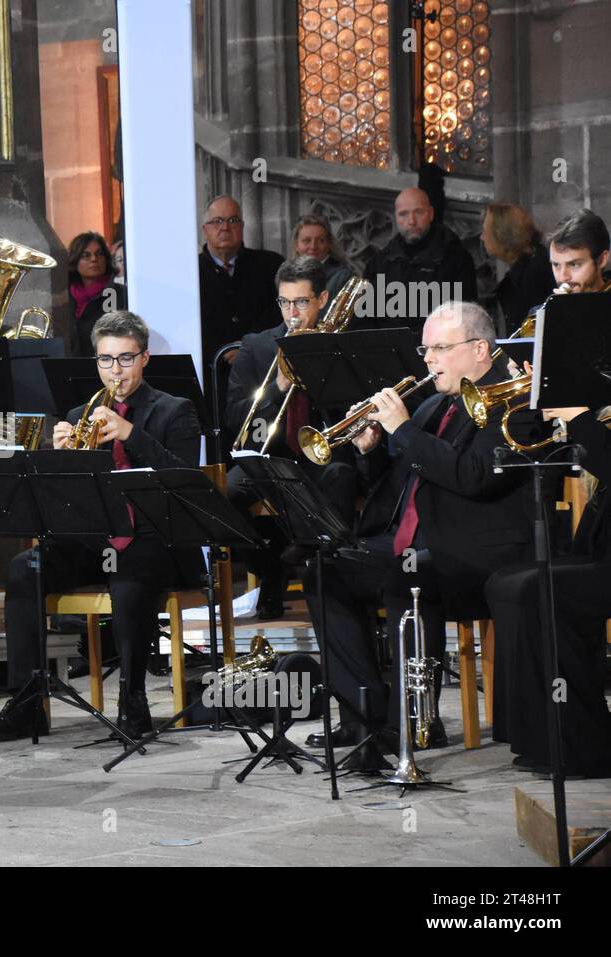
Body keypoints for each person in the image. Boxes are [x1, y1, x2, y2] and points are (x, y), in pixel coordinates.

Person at [302, 301, 533, 754]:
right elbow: (396, 487)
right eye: (425, 349)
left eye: (440, 348)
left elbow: (475, 477)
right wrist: (372, 448)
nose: (427, 359)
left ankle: (408, 725)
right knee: (322, 571)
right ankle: (363, 713)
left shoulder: (512, 402)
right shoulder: (433, 406)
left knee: (404, 575)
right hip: (416, 542)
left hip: (478, 552)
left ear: (481, 349)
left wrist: (403, 430)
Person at [0, 311, 204, 741]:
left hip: (157, 543)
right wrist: (60, 459)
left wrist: (130, 434)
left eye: (124, 359)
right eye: (105, 360)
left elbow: (184, 480)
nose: (114, 371)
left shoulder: (176, 411)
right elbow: (62, 502)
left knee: (129, 574)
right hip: (94, 543)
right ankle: (26, 703)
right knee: (25, 568)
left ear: (145, 359)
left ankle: (132, 701)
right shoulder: (82, 413)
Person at [225, 257, 358, 619]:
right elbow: (236, 415)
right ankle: (271, 569)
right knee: (222, 496)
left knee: (343, 479)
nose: (292, 313)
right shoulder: (257, 346)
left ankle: (332, 582)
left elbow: (354, 408)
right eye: (285, 302)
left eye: (301, 302)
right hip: (269, 456)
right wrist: (277, 386)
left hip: (323, 455)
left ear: (322, 299)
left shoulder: (341, 345)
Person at [486, 405, 611, 778]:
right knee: (508, 583)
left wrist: (580, 418)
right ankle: (541, 736)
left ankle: (586, 744)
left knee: (546, 591)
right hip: (600, 551)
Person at [196, 195, 284, 415]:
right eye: (217, 221)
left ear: (243, 227)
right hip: (211, 377)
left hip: (264, 373)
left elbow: (281, 313)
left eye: (233, 220)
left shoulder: (271, 264)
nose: (225, 227)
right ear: (205, 229)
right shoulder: (189, 272)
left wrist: (247, 347)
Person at [363, 188, 478, 336]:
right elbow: (366, 320)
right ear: (395, 218)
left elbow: (466, 317)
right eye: (403, 214)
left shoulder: (456, 259)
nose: (411, 221)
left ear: (431, 214)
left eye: (418, 212)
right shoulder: (378, 264)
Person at [481, 203, 554, 335]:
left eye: (485, 232)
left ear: (502, 235)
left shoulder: (536, 272)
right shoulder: (527, 266)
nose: (482, 238)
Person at [68, 231, 127, 357]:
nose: (94, 259)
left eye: (99, 254)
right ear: (75, 260)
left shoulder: (120, 294)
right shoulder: (64, 298)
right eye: (86, 255)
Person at [546, 208, 610, 296]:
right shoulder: (542, 310)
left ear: (602, 260)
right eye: (556, 265)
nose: (563, 277)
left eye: (574, 265)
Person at [292, 213, 354, 303]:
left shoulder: (343, 278)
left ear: (329, 244)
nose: (313, 247)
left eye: (321, 240)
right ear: (296, 245)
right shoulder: (289, 277)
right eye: (306, 241)